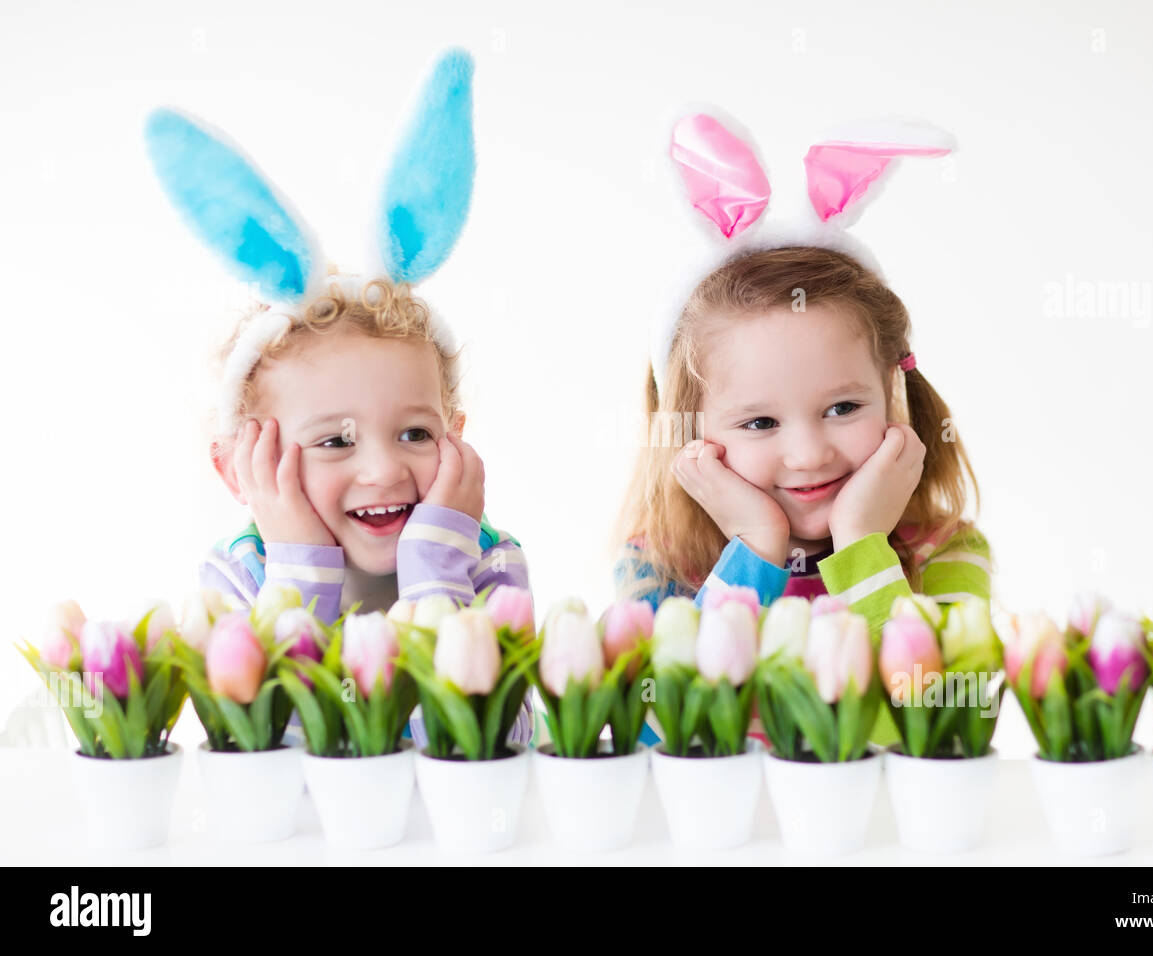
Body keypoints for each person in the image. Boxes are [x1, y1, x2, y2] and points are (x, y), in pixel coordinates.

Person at [143, 48, 533, 747]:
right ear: (239, 469)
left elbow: (491, 745)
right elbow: (266, 753)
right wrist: (298, 578)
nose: (383, 469)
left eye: (416, 433)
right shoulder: (240, 577)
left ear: (457, 434)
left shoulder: (487, 561)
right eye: (335, 441)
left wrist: (435, 578)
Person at [614, 112, 994, 748]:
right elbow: (662, 738)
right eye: (761, 421)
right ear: (691, 436)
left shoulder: (946, 554)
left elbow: (950, 731)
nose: (808, 453)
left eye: (843, 408)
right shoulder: (661, 567)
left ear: (891, 391)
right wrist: (755, 551)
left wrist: (862, 548)